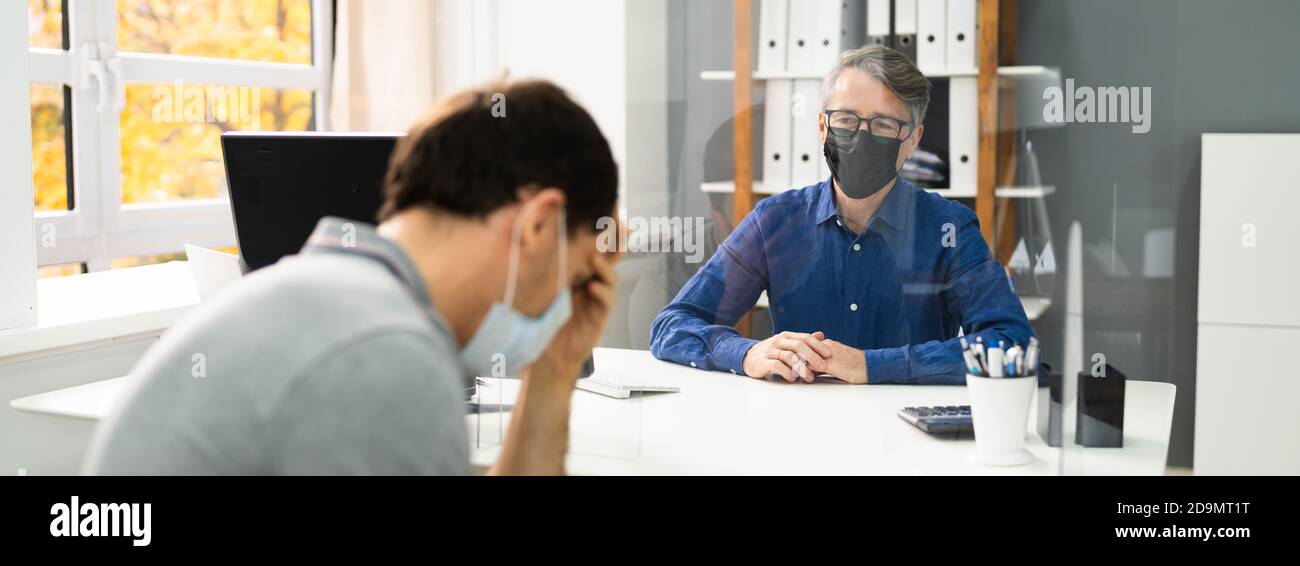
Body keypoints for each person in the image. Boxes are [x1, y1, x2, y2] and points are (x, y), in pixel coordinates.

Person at [86, 79, 620, 475]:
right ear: (539, 224)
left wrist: (554, 370)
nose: (558, 307)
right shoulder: (389, 356)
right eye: (569, 279)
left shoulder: (323, 294)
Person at [650, 44, 1035, 385]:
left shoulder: (949, 228)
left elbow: (1010, 340)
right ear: (823, 126)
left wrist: (873, 366)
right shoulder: (774, 222)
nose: (861, 136)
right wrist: (747, 354)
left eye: (883, 124)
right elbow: (673, 325)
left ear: (913, 139)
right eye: (847, 120)